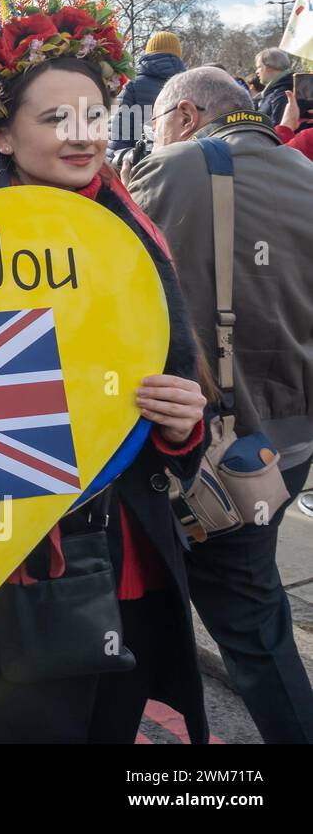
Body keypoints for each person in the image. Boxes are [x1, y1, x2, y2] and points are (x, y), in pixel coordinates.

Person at [0, 0, 210, 744]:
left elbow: (180, 427)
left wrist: (179, 423)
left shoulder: (137, 243)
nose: (83, 135)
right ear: (0, 133)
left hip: (122, 576)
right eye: (55, 118)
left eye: (95, 116)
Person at [129, 66, 313, 743]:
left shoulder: (172, 169)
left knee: (227, 620)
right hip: (287, 447)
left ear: (183, 116)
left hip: (199, 447)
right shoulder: (304, 171)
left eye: (154, 125)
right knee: (246, 607)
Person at [111, 29, 186, 151]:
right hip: (179, 160)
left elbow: (120, 133)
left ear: (148, 53)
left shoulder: (133, 85)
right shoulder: (190, 86)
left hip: (139, 161)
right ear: (178, 54)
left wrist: (119, 163)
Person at [254, 47, 296, 123]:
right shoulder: (274, 92)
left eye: (259, 67)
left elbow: (277, 130)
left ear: (269, 67)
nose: (256, 72)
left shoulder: (283, 94)